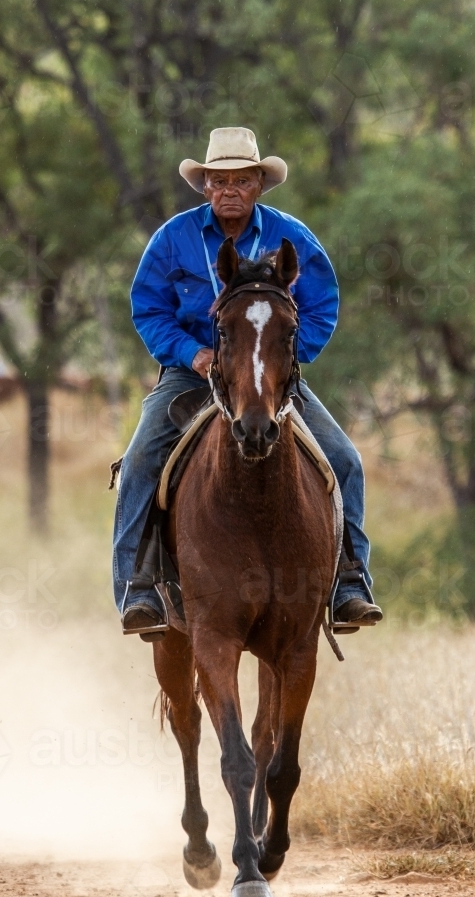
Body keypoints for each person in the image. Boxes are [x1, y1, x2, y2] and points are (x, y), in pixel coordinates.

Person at [114, 127, 382, 637]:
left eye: (241, 179)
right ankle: (137, 587)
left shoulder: (294, 239)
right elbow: (147, 309)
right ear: (205, 186)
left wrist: (278, 361)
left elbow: (323, 306)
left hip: (270, 378)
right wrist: (191, 353)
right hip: (190, 374)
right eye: (219, 180)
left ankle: (351, 582)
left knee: (345, 459)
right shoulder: (173, 239)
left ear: (260, 184)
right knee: (142, 458)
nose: (229, 189)